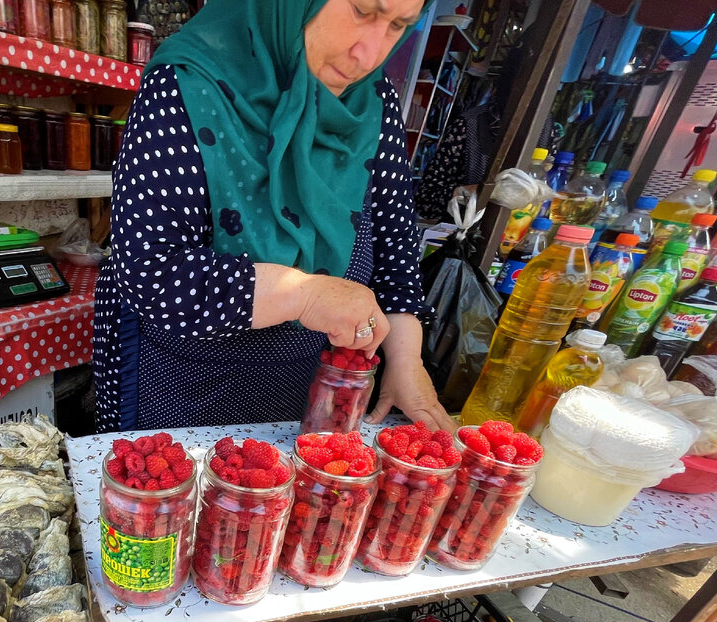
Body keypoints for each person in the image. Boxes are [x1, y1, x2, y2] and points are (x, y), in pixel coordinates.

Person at [93, 0, 453, 433]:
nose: (370, 54)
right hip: (182, 384)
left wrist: (405, 360)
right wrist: (305, 295)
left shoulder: (373, 104)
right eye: (361, 11)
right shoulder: (187, 86)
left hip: (308, 387)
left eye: (398, 25)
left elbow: (396, 249)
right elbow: (151, 274)